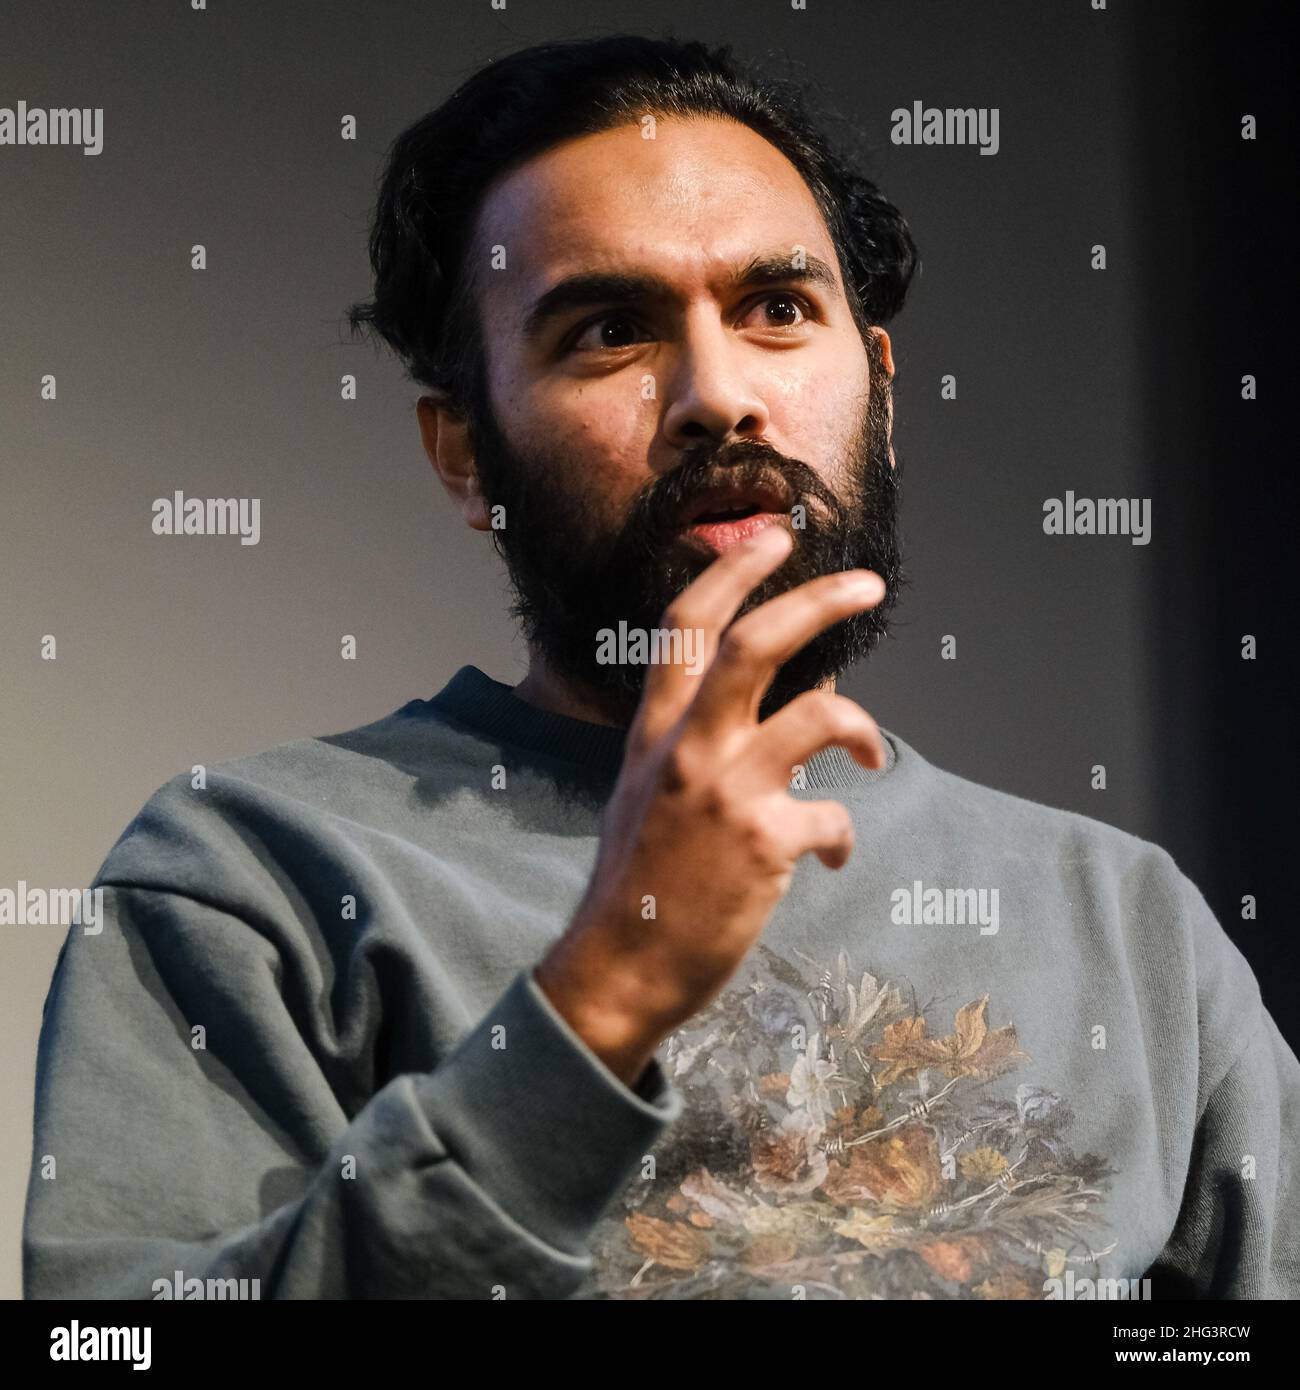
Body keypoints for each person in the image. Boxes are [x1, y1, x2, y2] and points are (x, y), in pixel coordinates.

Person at [23, 34, 1299, 1301]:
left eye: (778, 309)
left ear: (885, 394)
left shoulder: (1129, 928)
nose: (717, 394)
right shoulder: (252, 875)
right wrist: (606, 994)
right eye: (612, 330)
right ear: (465, 455)